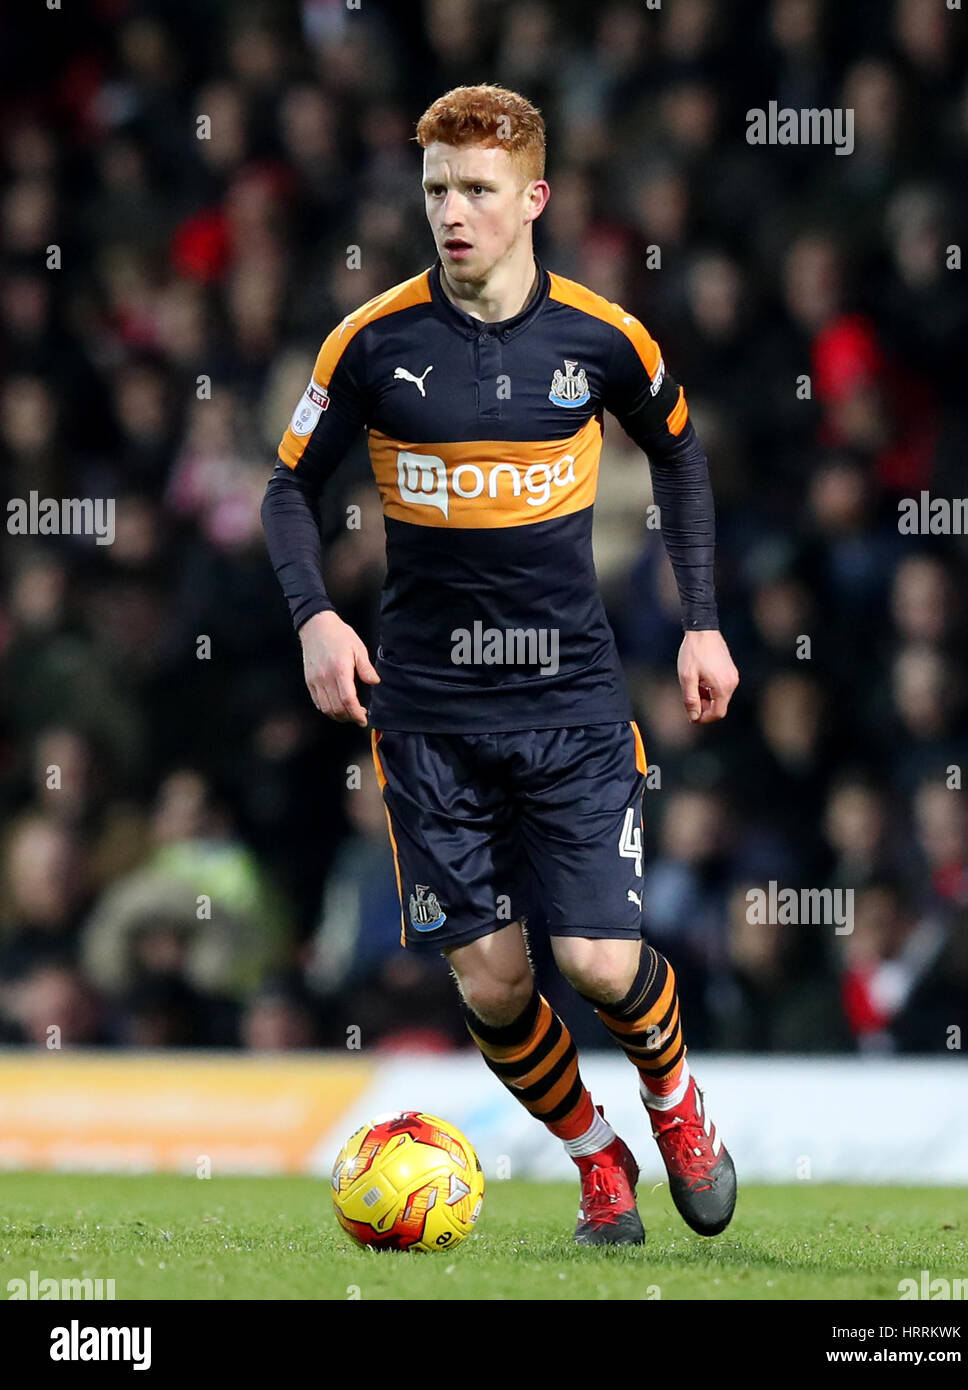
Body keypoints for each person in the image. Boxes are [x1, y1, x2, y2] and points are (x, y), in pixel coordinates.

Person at [261, 84, 740, 1245]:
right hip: (425, 710)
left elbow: (680, 459)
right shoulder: (372, 342)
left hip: (571, 698)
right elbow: (287, 488)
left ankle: (676, 1105)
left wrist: (702, 619)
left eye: (476, 190)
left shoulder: (601, 337)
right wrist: (319, 617)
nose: (452, 213)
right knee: (492, 979)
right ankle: (597, 1161)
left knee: (598, 960)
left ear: (534, 197)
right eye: (435, 190)